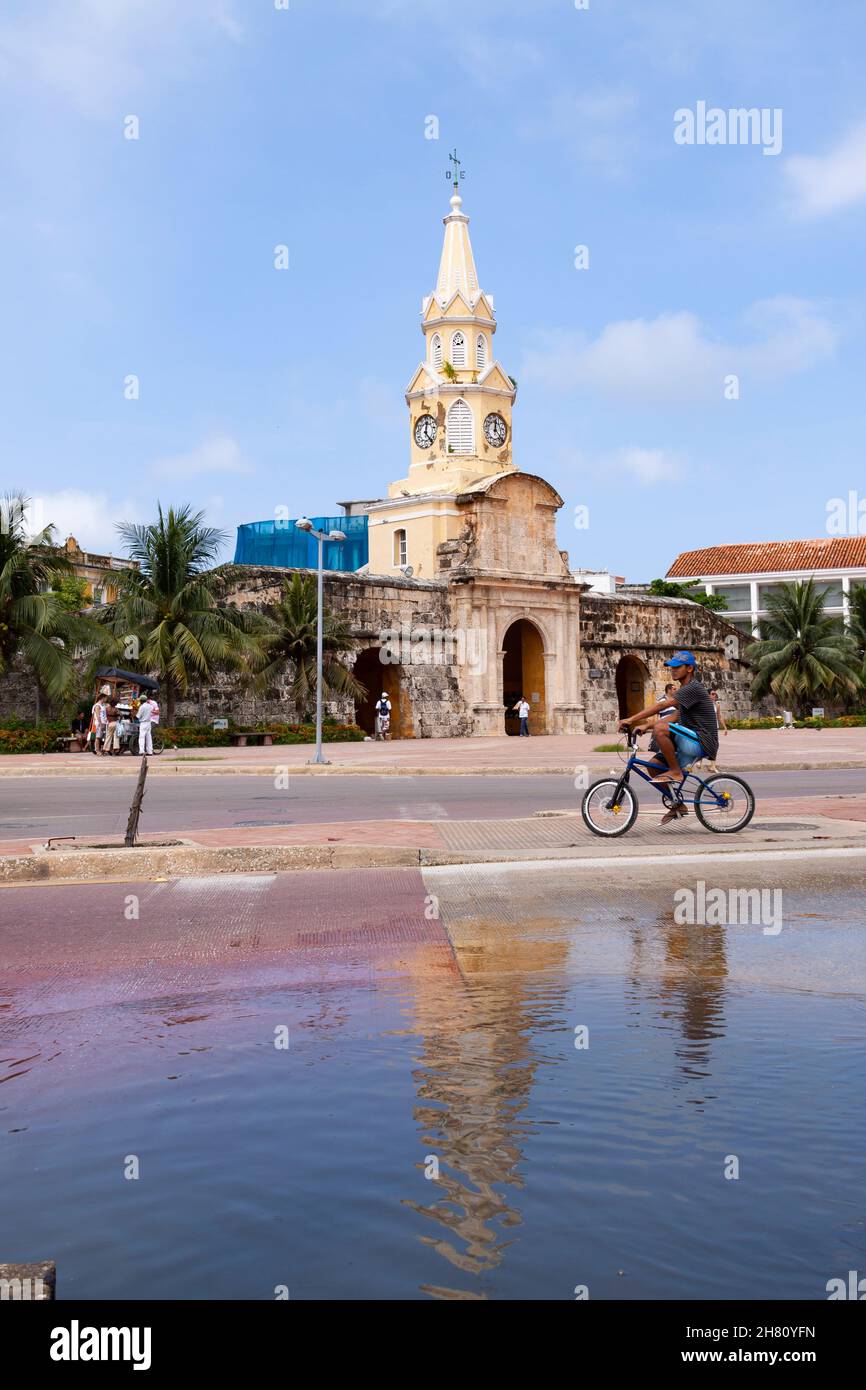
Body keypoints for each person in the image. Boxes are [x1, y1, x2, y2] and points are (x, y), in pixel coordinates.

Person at [618, 651, 720, 820]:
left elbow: (663, 706)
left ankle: (675, 771)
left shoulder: (693, 688)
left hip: (701, 740)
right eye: (671, 668)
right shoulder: (685, 691)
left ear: (689, 668)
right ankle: (677, 805)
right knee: (653, 766)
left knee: (660, 728)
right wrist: (645, 725)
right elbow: (674, 717)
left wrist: (631, 719)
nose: (673, 670)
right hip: (690, 741)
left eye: (677, 667)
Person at [702, 688, 728, 773]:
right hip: (705, 728)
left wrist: (725, 727)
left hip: (714, 728)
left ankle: (712, 766)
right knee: (703, 744)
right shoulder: (703, 704)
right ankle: (699, 761)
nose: (714, 696)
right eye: (712, 694)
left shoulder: (717, 705)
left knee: (715, 746)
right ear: (708, 695)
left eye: (715, 694)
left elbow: (719, 717)